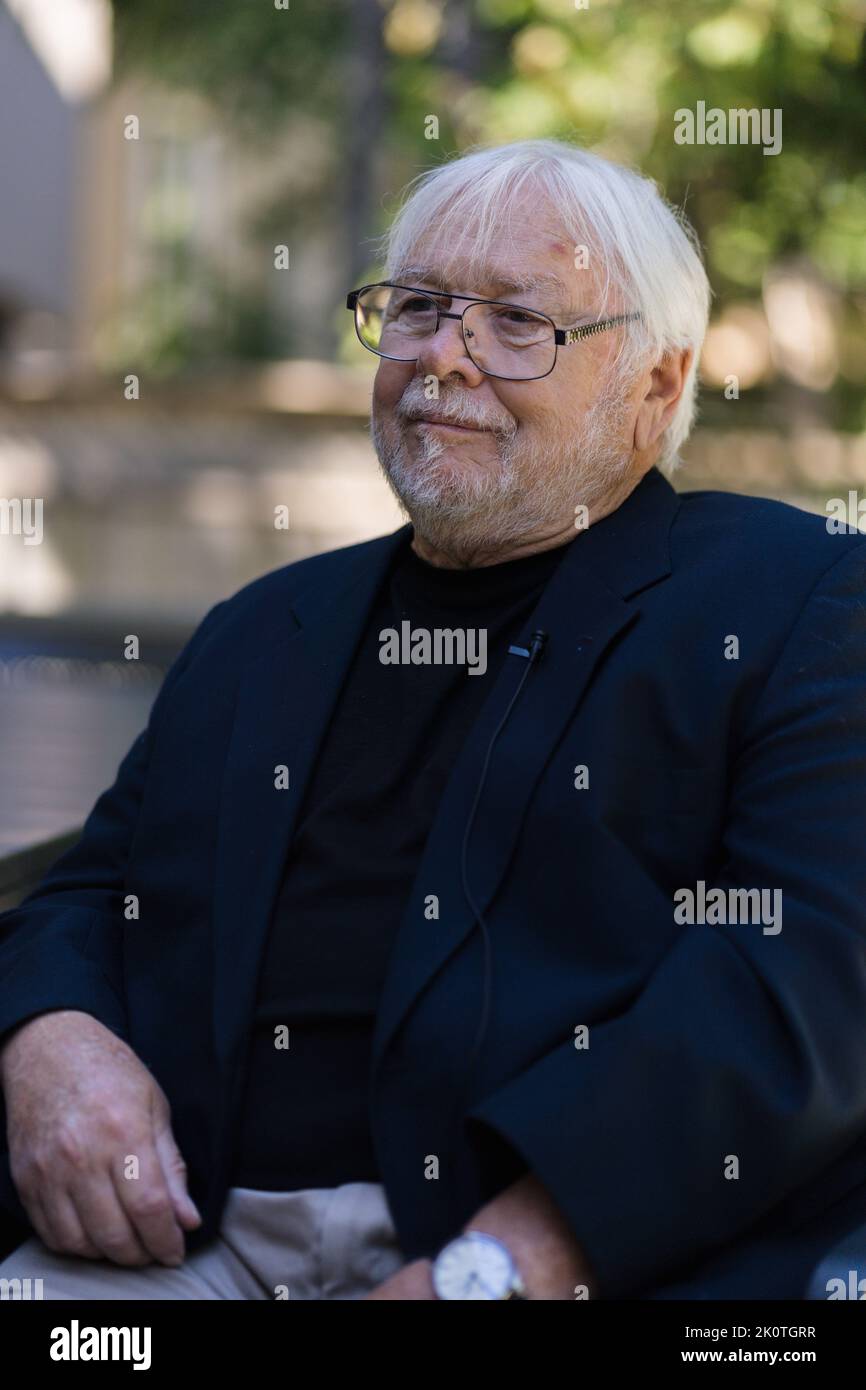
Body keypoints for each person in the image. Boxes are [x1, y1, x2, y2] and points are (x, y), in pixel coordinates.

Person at [2, 138, 866, 1301]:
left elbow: (798, 984)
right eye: (417, 308)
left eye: (518, 321)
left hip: (550, 1254)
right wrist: (49, 1040)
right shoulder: (265, 625)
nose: (444, 359)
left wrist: (502, 1264)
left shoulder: (793, 599)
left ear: (655, 386)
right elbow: (87, 892)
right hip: (180, 1239)